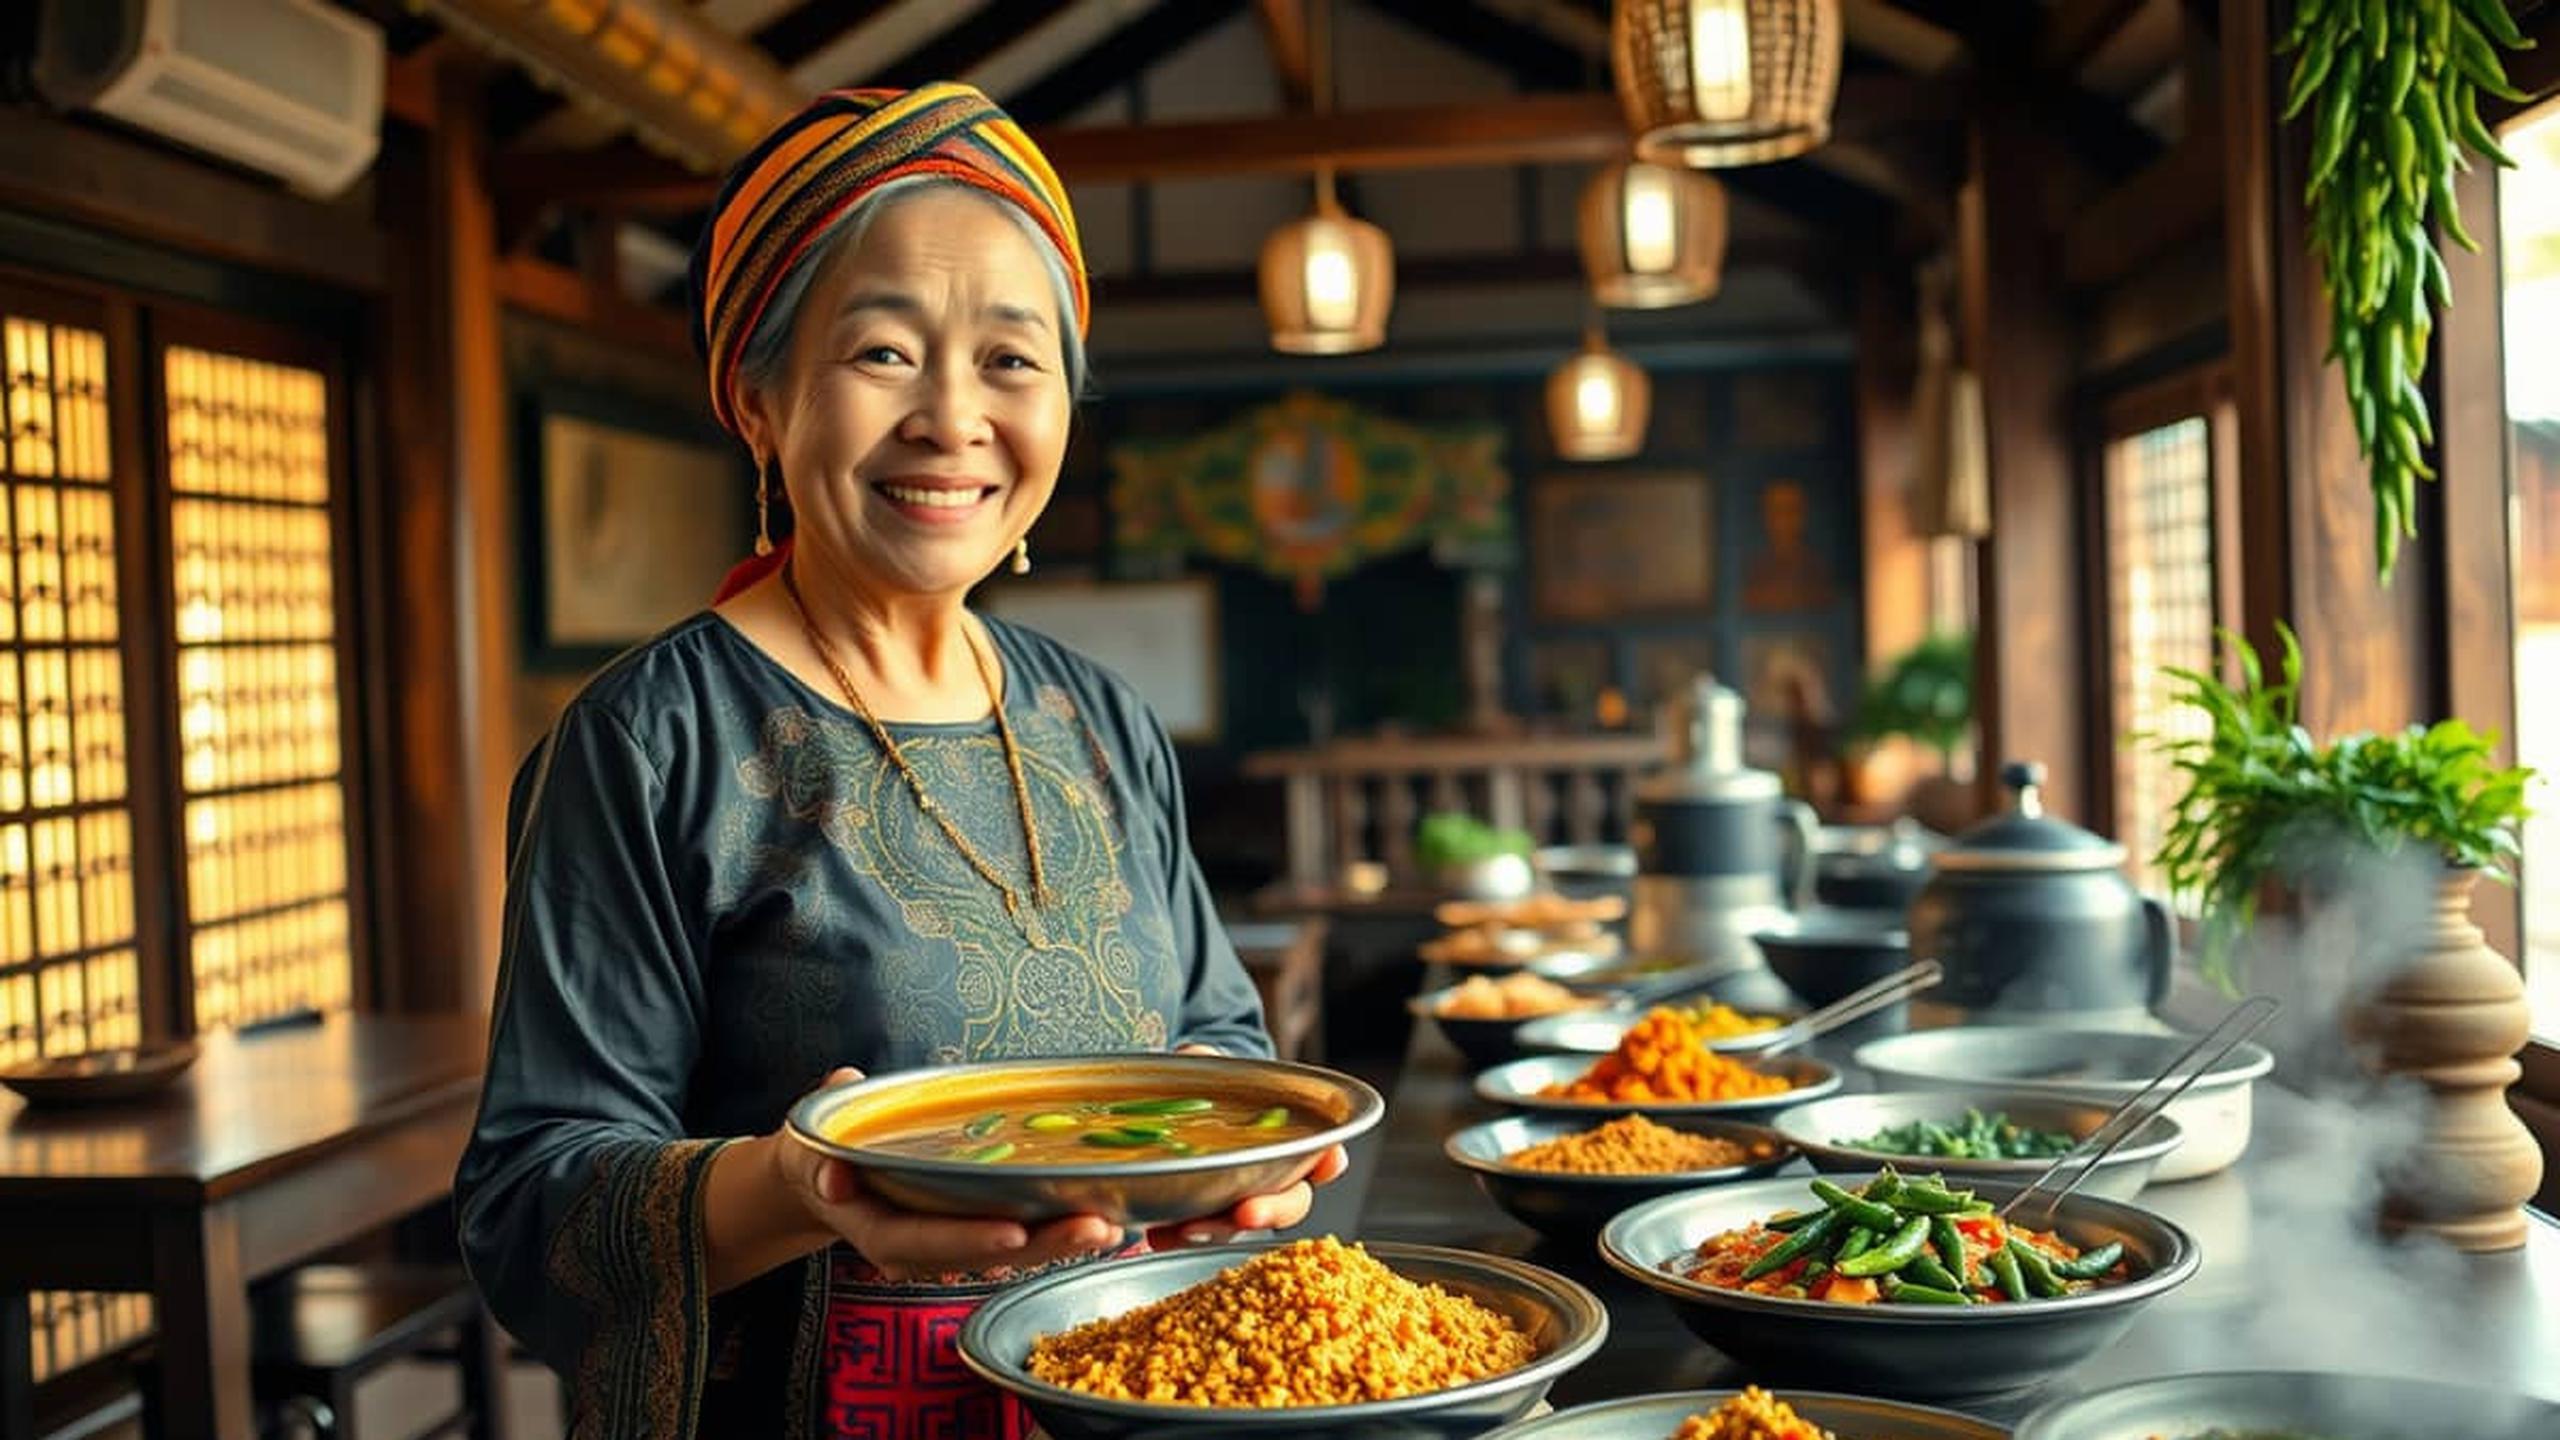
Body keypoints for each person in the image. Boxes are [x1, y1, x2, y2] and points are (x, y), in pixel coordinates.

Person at [454, 83, 1346, 1439]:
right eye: (883, 352)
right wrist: (795, 1186)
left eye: (1011, 359)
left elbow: (1216, 1042)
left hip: (1134, 1402)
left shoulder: (1099, 720)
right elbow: (534, 1210)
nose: (952, 417)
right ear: (759, 399)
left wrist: (1240, 1166)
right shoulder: (653, 740)